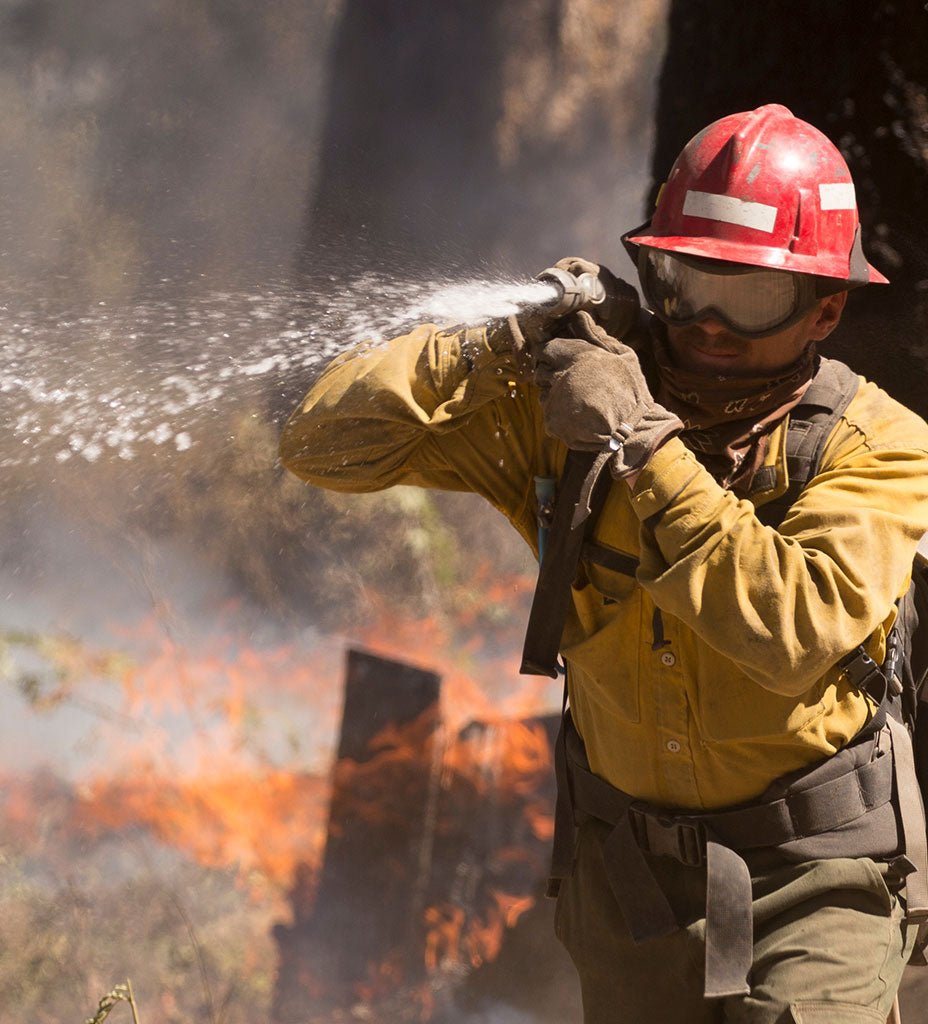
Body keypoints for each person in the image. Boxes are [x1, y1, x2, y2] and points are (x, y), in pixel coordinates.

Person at [279, 103, 928, 1024]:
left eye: (749, 299)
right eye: (683, 281)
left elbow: (792, 629)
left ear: (825, 308)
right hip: (629, 887)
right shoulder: (571, 411)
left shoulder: (883, 445)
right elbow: (323, 447)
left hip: (815, 877)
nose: (706, 324)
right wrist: (495, 339)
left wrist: (642, 443)